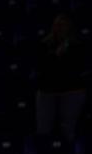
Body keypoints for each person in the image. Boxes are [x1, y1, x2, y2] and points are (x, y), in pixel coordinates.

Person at [35, 13, 89, 143]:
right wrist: (55, 56)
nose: (59, 28)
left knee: (68, 129)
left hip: (71, 90)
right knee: (44, 129)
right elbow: (41, 66)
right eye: (57, 25)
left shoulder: (77, 45)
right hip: (47, 91)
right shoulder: (44, 44)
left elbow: (77, 67)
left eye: (63, 25)